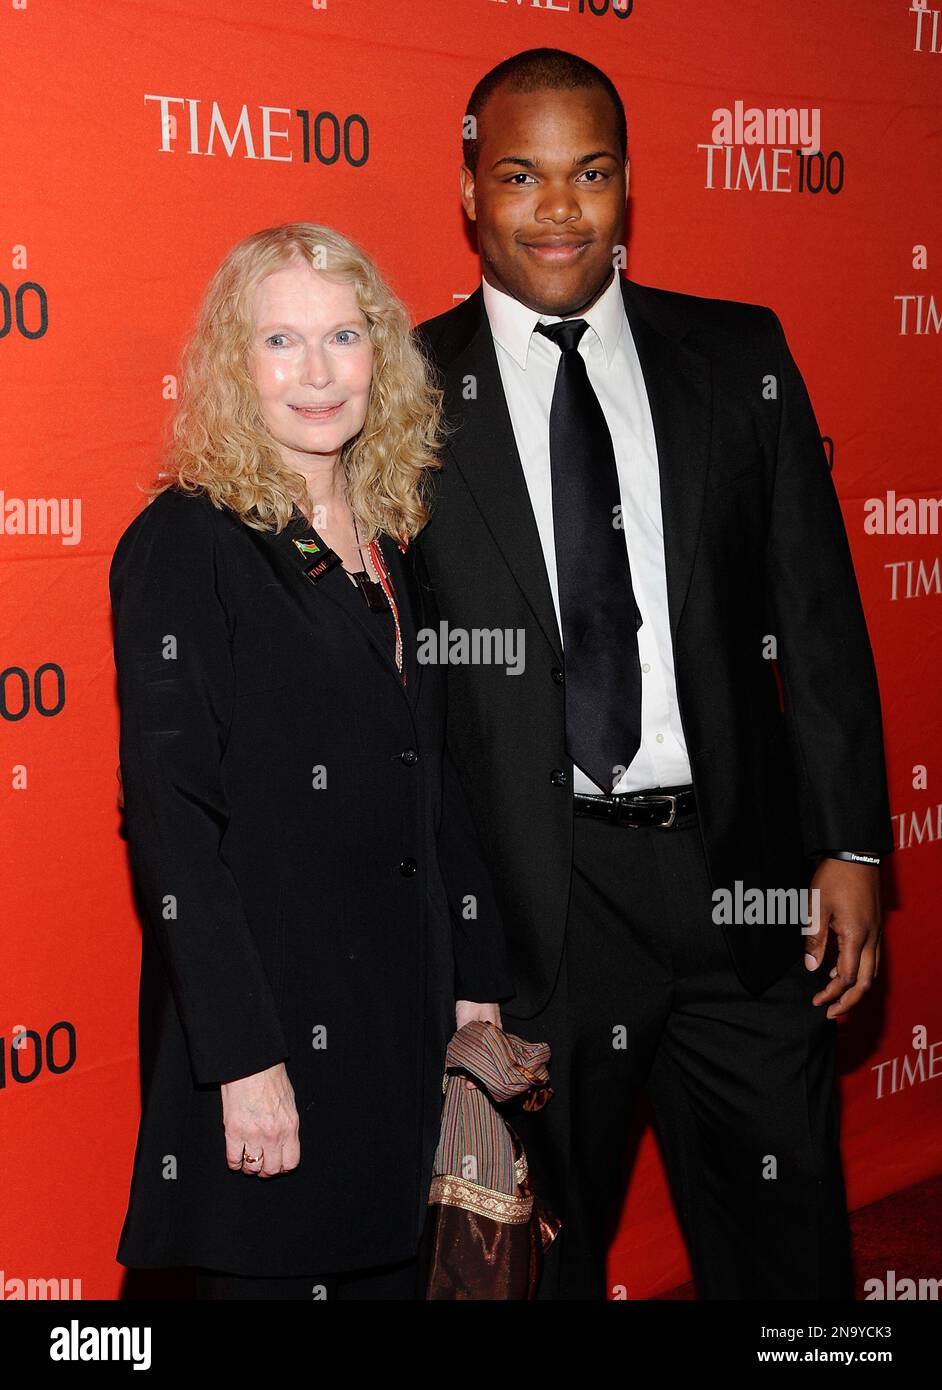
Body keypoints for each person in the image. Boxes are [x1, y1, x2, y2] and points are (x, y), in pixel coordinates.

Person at [414, 48, 893, 1300]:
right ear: (470, 189)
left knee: (791, 1257)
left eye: (590, 173)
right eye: (520, 174)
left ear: (631, 186)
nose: (557, 209)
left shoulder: (740, 358)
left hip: (738, 886)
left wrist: (850, 842)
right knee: (535, 1269)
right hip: (538, 909)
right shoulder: (400, 392)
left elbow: (820, 618)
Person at [110, 223, 512, 1300]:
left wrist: (474, 985)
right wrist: (242, 1061)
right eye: (280, 339)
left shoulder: (391, 537)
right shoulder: (186, 542)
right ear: (233, 367)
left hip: (397, 1023)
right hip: (268, 1031)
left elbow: (437, 775)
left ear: (382, 350)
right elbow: (169, 821)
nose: (319, 371)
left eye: (344, 334)